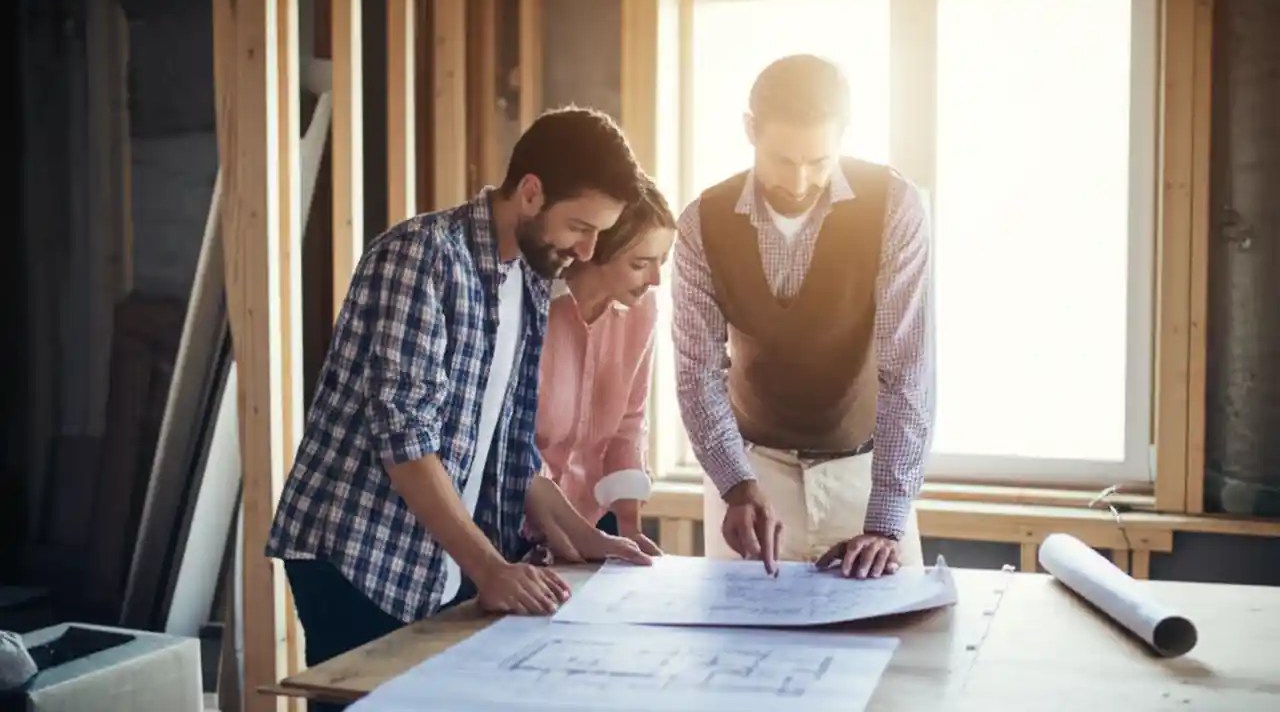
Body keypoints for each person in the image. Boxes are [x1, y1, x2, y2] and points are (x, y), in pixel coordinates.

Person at [265, 107, 653, 692]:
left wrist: (590, 536)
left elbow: (510, 450)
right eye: (579, 227)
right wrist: (491, 568)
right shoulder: (422, 257)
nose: (586, 249)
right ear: (530, 193)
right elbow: (405, 437)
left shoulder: (526, 277)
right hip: (357, 552)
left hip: (437, 555)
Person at [673, 54, 933, 580]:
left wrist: (884, 523)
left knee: (892, 650)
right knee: (740, 652)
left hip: (866, 475)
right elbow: (697, 373)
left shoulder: (895, 207)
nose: (798, 181)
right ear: (750, 130)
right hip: (750, 481)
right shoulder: (702, 223)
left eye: (818, 161)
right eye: (782, 159)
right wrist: (734, 483)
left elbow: (908, 369)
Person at [533, 178, 677, 557]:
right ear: (594, 251)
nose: (656, 279)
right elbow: (513, 443)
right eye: (640, 264)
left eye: (663, 261)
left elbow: (629, 422)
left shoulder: (642, 311)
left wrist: (628, 524)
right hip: (518, 530)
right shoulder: (534, 311)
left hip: (594, 523)